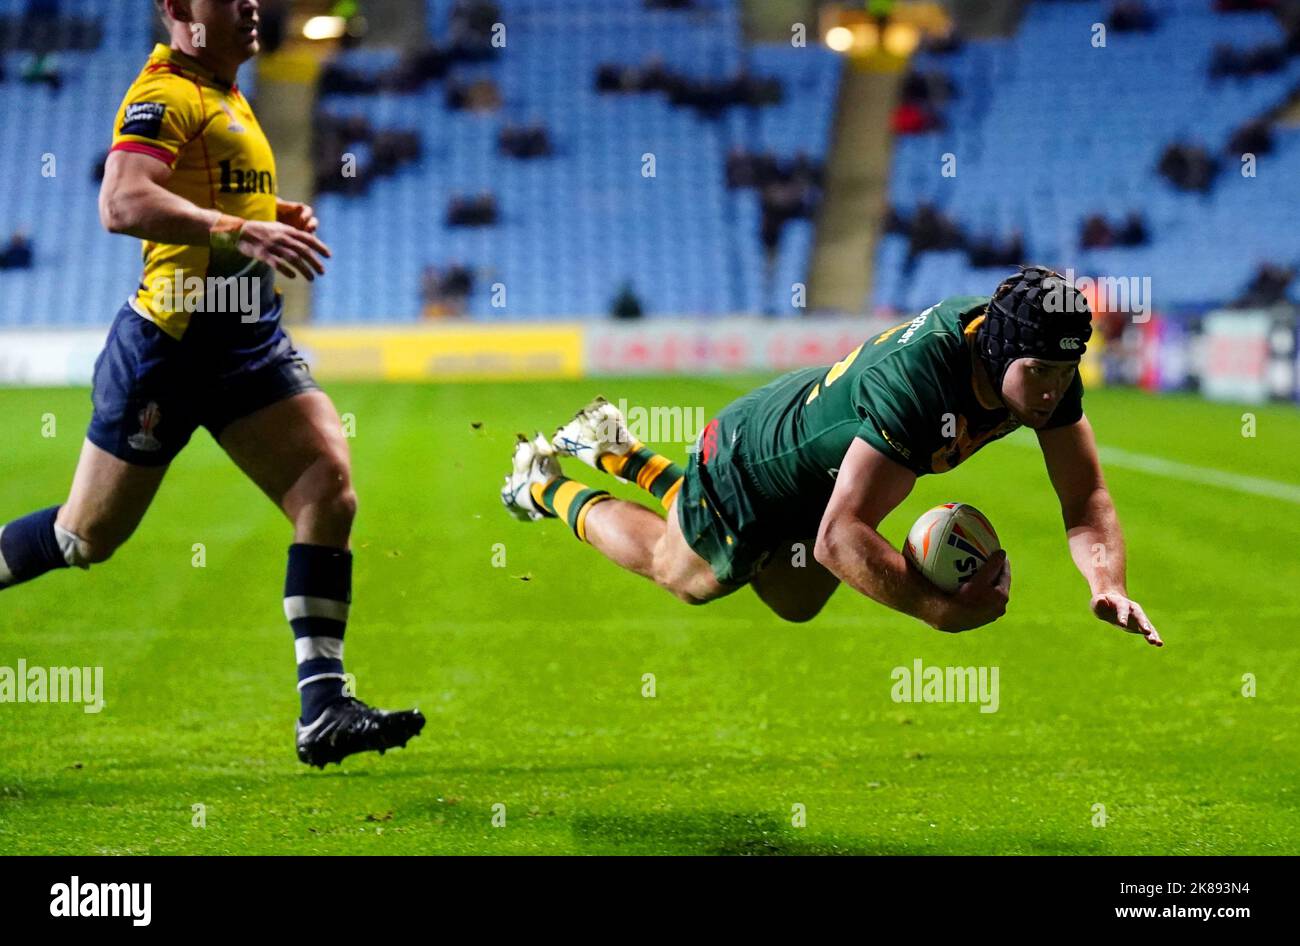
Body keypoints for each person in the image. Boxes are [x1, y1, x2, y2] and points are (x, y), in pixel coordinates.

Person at [0, 0, 425, 768]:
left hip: (246, 340)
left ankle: (323, 706)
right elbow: (121, 200)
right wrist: (236, 229)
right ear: (176, 10)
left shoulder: (230, 93)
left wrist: (265, 213)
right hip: (170, 347)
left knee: (327, 487)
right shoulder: (166, 92)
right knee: (83, 536)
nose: (252, 6)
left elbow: (212, 196)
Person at [500, 266, 1163, 646]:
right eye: (1040, 372)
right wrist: (940, 610)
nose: (1053, 389)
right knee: (686, 574)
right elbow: (840, 538)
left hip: (827, 468)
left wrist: (1106, 583)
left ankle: (616, 448)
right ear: (994, 350)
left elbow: (1085, 500)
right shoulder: (919, 382)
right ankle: (542, 483)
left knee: (793, 599)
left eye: (1066, 369)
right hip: (755, 459)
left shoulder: (1036, 359)